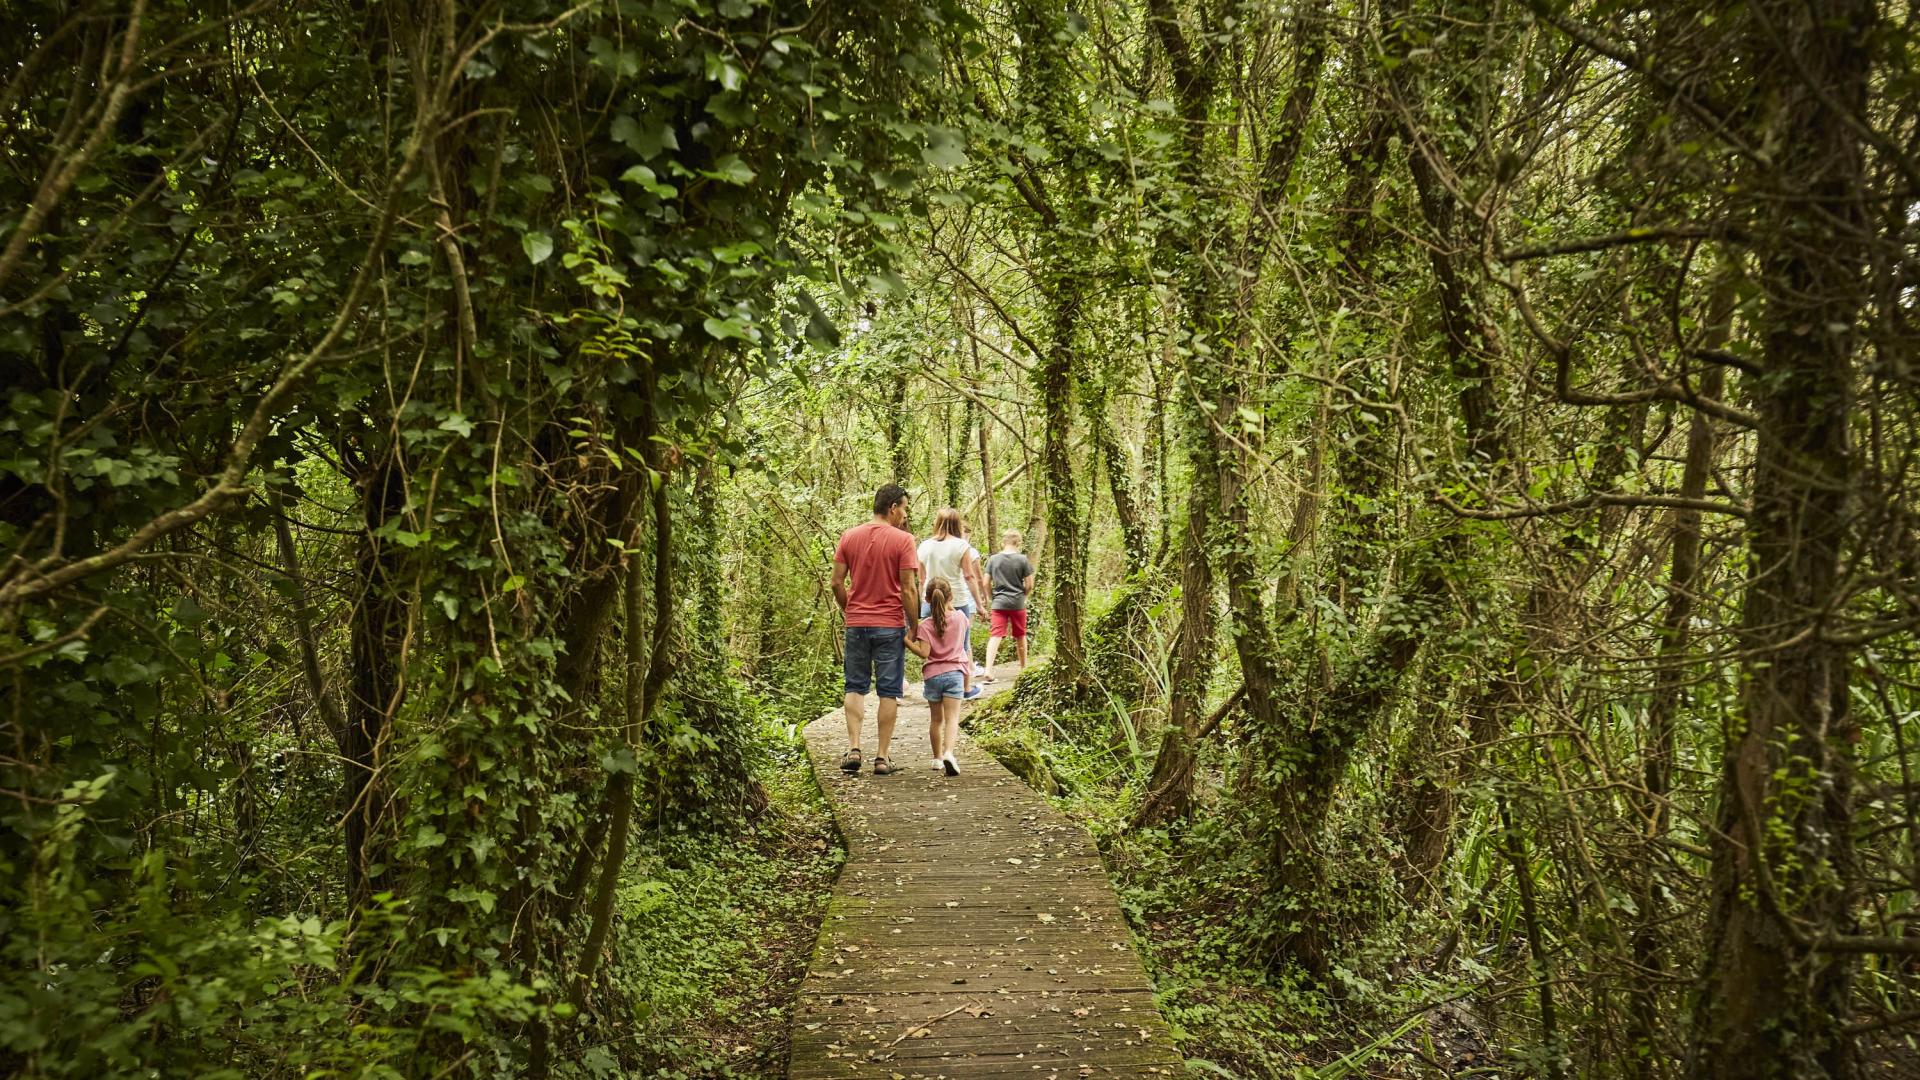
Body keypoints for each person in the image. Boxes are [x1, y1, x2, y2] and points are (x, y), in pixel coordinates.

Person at [831, 483, 920, 776]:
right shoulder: (903, 541)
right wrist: (915, 626)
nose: (904, 515)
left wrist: (851, 610)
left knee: (855, 686)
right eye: (904, 508)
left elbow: (836, 582)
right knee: (888, 691)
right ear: (892, 507)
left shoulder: (849, 536)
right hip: (890, 626)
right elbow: (908, 588)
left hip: (857, 624)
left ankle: (854, 748)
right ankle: (882, 757)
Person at [917, 509, 987, 700]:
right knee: (962, 645)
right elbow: (969, 575)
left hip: (929, 600)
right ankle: (964, 688)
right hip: (957, 600)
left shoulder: (924, 546)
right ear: (957, 524)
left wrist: (921, 600)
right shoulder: (961, 545)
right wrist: (980, 604)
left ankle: (932, 688)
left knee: (931, 645)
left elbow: (921, 579)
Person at [907, 577, 972, 776]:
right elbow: (964, 645)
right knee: (952, 719)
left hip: (933, 676)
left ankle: (936, 759)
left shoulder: (925, 625)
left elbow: (924, 653)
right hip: (955, 674)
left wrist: (906, 641)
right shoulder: (961, 618)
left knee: (936, 720)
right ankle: (949, 753)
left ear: (926, 599)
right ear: (950, 596)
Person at [982, 529, 1034, 681]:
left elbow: (985, 582)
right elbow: (1030, 584)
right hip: (1018, 603)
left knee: (995, 635)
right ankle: (1024, 668)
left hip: (999, 603)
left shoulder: (993, 559)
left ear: (1003, 542)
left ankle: (988, 669)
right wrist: (1023, 595)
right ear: (1018, 543)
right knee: (1020, 635)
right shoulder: (1023, 560)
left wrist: (991, 597)